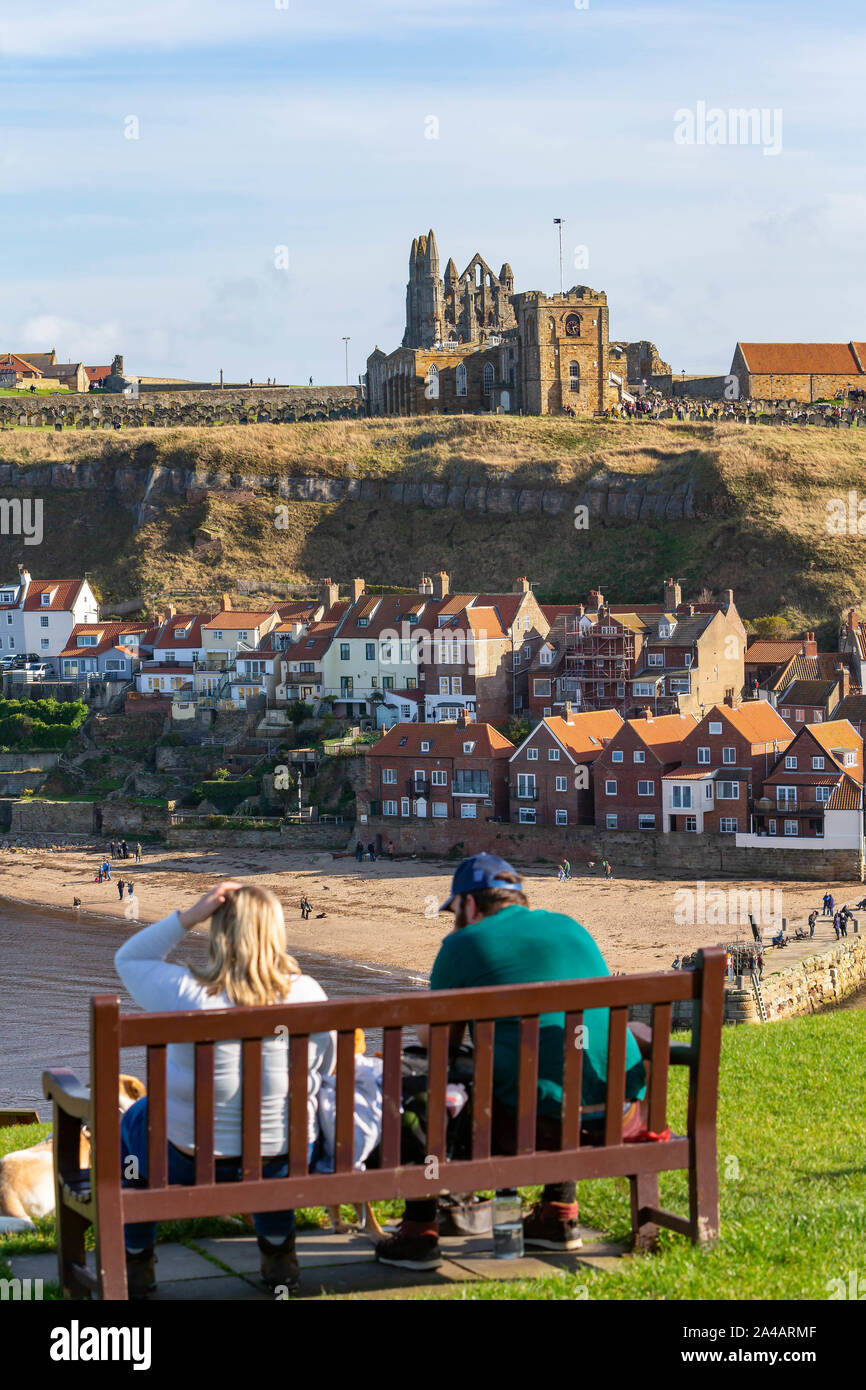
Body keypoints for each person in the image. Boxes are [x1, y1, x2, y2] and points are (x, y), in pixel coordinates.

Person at [375, 854, 647, 1271]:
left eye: (455, 912)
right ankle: (558, 1213)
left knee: (423, 1089)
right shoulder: (570, 926)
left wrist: (428, 1031)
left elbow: (440, 1047)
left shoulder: (463, 943)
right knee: (556, 1072)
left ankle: (418, 1232)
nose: (455, 922)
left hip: (529, 1125)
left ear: (469, 904)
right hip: (622, 1112)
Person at [115, 882, 335, 1298]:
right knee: (276, 1130)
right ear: (276, 931)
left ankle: (136, 1258)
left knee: (136, 1122)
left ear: (218, 932)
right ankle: (278, 1255)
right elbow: (325, 1067)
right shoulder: (307, 993)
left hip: (185, 1160)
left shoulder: (186, 992)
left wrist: (189, 916)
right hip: (285, 1161)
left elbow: (129, 958)